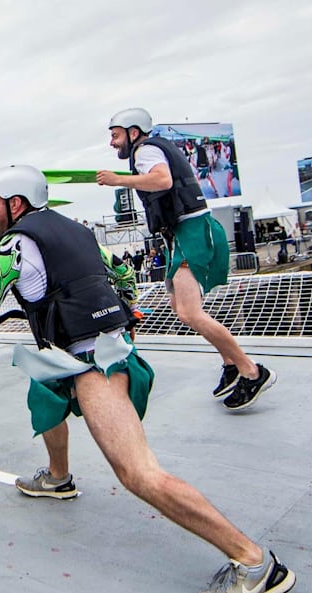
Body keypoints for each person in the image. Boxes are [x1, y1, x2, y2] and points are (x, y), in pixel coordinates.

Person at [0, 166, 294, 593]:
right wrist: (126, 307)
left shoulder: (13, 245)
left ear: (15, 204)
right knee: (42, 390)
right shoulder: (77, 232)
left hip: (92, 361)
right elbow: (122, 275)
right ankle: (58, 478)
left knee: (138, 474)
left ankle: (254, 563)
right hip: (80, 351)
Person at [97, 108, 277, 411]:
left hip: (191, 233)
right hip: (185, 234)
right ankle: (231, 363)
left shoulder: (146, 151)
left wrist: (118, 180)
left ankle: (252, 371)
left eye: (115, 135)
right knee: (181, 309)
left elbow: (163, 180)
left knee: (191, 313)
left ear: (133, 131)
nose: (112, 143)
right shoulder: (150, 150)